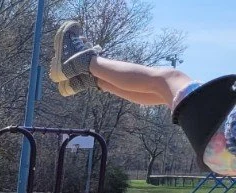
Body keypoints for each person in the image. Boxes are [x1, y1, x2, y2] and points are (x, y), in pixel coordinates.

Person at [49, 20, 236, 176]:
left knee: (169, 79)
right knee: (166, 94)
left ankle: (81, 62)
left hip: (224, 139)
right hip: (224, 160)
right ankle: (93, 80)